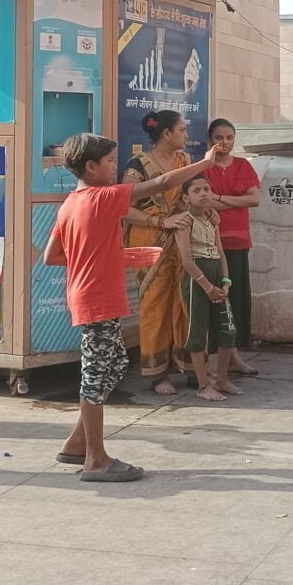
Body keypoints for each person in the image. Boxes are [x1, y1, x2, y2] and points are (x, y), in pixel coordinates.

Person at [44, 133, 212, 481]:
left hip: (89, 293)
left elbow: (54, 256)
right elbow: (162, 182)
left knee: (114, 362)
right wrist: (207, 163)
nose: (114, 168)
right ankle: (96, 459)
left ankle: (78, 443)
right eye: (108, 162)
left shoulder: (70, 203)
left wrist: (111, 256)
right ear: (91, 167)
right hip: (97, 299)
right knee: (95, 375)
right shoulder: (102, 197)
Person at [122, 110, 197, 396]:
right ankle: (157, 372)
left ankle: (190, 365)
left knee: (186, 301)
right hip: (149, 241)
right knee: (154, 306)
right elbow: (125, 208)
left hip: (182, 239)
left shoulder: (185, 161)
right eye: (182, 129)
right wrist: (160, 221)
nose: (186, 135)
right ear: (167, 134)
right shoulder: (137, 166)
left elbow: (194, 194)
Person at [174, 174, 240, 401]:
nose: (203, 194)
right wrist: (207, 287)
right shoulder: (184, 222)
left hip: (216, 275)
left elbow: (220, 252)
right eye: (196, 191)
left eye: (206, 189)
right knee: (198, 331)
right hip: (197, 278)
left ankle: (221, 379)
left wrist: (225, 282)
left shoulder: (212, 219)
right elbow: (187, 261)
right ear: (186, 197)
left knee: (227, 329)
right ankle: (203, 384)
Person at [204, 119, 261, 375]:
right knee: (212, 302)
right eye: (219, 138)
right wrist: (234, 202)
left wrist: (218, 199)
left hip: (238, 243)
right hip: (208, 245)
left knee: (234, 302)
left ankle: (234, 357)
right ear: (210, 140)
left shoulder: (243, 165)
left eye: (229, 137)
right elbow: (202, 202)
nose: (224, 143)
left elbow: (254, 199)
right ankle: (214, 361)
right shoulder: (202, 169)